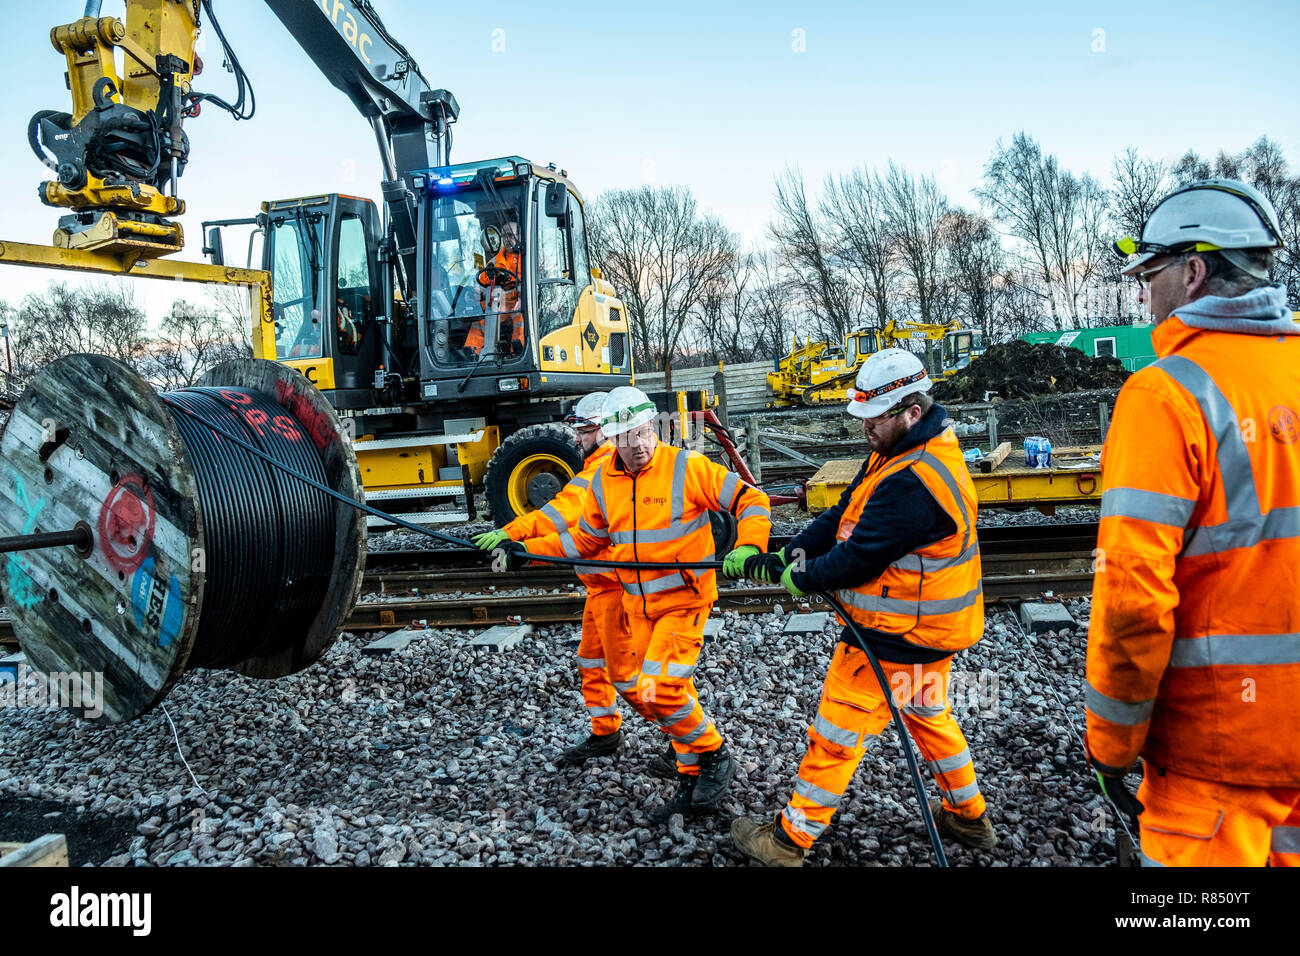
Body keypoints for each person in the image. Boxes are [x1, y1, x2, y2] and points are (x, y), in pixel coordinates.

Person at [1085, 178, 1300, 867]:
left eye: (1149, 275)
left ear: (1193, 271)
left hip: (1216, 763)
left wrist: (1112, 747)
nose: (1145, 295)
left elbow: (1132, 603)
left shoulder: (1166, 394)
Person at [730, 348, 994, 866]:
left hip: (895, 634)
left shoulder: (913, 480)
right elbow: (842, 514)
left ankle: (788, 843)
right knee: (927, 716)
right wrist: (789, 553)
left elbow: (859, 559)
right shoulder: (903, 452)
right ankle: (968, 818)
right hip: (928, 631)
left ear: (910, 413)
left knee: (835, 734)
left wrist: (797, 577)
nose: (865, 428)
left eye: (874, 419)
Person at [498, 386, 772, 822]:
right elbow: (586, 539)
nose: (639, 444)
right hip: (638, 608)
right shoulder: (603, 481)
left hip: (684, 602)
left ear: (654, 428)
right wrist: (527, 548)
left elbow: (751, 500)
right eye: (628, 436)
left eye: (644, 433)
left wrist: (750, 545)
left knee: (660, 690)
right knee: (661, 693)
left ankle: (715, 754)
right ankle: (689, 777)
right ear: (611, 438)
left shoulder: (687, 468)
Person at [474, 391, 659, 767]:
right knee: (590, 662)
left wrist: (514, 534)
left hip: (616, 590)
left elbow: (558, 516)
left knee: (626, 676)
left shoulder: (600, 472)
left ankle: (683, 738)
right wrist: (519, 542)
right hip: (600, 587)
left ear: (605, 432)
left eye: (584, 430)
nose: (576, 438)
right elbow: (566, 528)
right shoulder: (600, 467)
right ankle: (605, 733)